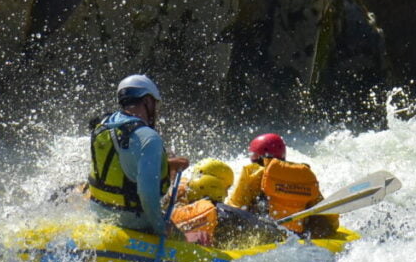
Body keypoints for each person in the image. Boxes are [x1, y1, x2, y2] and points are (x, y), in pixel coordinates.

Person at [85, 74, 190, 236]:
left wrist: (169, 164)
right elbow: (147, 195)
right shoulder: (149, 137)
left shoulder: (103, 125)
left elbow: (122, 164)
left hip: (98, 213)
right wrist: (161, 228)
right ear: (147, 101)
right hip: (131, 220)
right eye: (155, 104)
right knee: (181, 236)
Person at [228, 132, 339, 238]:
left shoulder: (253, 173)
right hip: (301, 235)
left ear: (258, 155)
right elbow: (327, 213)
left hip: (266, 234)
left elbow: (235, 208)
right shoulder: (301, 174)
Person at [172, 157, 288, 248]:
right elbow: (270, 233)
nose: (227, 194)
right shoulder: (221, 212)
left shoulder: (174, 196)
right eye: (226, 188)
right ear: (215, 185)